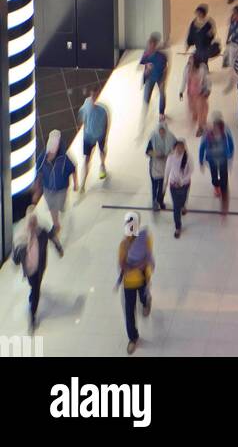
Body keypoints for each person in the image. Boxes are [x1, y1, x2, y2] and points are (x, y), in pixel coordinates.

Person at [13, 206, 64, 331]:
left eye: (34, 223)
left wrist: (59, 248)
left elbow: (52, 236)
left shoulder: (42, 230)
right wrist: (16, 260)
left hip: (40, 265)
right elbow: (17, 251)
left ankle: (32, 315)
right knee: (33, 285)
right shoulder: (21, 236)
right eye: (31, 223)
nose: (33, 225)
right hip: (29, 267)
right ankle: (33, 295)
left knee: (36, 288)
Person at [116, 212, 154, 355]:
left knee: (144, 296)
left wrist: (134, 266)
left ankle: (146, 302)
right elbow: (122, 264)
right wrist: (136, 265)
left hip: (143, 278)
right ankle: (133, 338)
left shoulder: (145, 239)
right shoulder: (123, 244)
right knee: (129, 311)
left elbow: (148, 258)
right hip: (129, 283)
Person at [34, 132, 77, 235]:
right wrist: (37, 190)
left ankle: (56, 220)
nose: (50, 155)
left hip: (61, 188)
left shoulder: (64, 158)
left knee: (59, 206)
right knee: (53, 207)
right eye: (49, 153)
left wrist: (76, 183)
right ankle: (56, 224)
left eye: (52, 154)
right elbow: (39, 173)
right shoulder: (42, 157)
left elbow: (73, 170)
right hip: (48, 188)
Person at [199, 114, 235, 213]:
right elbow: (202, 147)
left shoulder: (225, 134)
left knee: (224, 177)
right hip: (212, 160)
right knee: (214, 176)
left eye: (218, 128)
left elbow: (231, 144)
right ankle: (216, 186)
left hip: (223, 159)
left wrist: (230, 154)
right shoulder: (207, 135)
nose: (216, 130)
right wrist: (201, 160)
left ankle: (224, 194)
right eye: (215, 127)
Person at [78, 84, 109, 190]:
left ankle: (102, 165)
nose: (94, 97)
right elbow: (82, 115)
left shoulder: (102, 109)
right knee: (86, 159)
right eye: (93, 94)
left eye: (96, 94)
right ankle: (83, 183)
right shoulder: (87, 103)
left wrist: (104, 134)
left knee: (101, 151)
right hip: (88, 136)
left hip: (99, 135)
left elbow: (105, 123)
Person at [164, 139, 192, 238]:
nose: (180, 149)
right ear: (175, 148)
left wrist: (183, 181)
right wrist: (166, 182)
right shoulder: (171, 158)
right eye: (178, 147)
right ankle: (178, 227)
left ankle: (183, 206)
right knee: (176, 207)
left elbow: (190, 171)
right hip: (174, 186)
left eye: (182, 147)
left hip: (185, 185)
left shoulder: (187, 158)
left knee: (183, 199)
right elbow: (167, 170)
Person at [180, 53, 211, 137]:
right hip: (190, 94)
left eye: (191, 60)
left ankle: (201, 127)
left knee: (201, 110)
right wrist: (181, 91)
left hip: (200, 94)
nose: (189, 62)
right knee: (193, 110)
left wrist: (208, 90)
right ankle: (197, 118)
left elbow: (208, 80)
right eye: (189, 61)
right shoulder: (187, 69)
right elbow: (184, 80)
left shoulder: (202, 68)